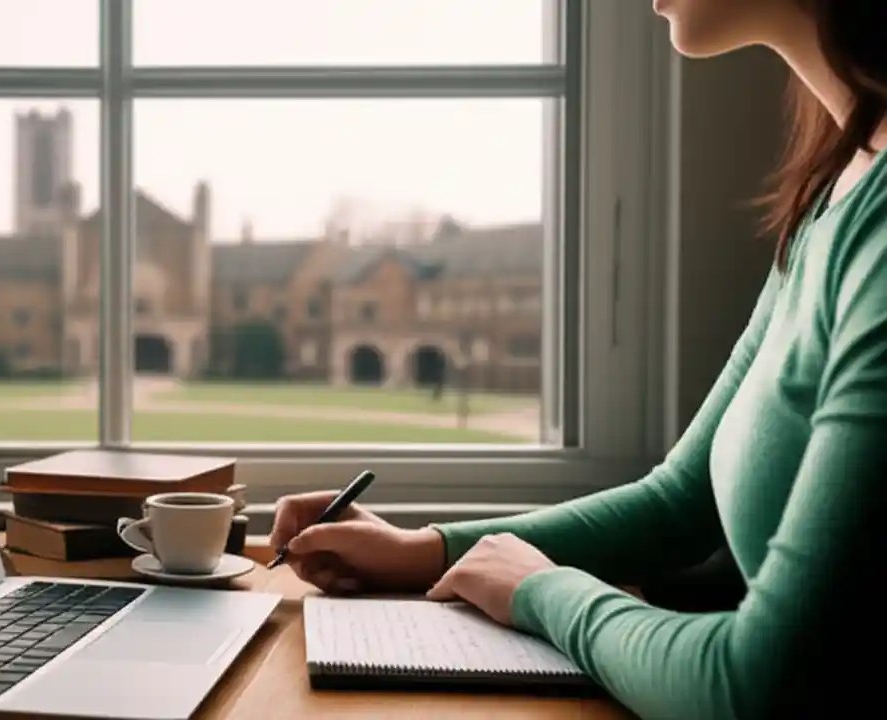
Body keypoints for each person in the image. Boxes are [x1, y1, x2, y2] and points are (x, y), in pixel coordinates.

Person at [269, 2, 886, 718]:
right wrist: (424, 550)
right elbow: (679, 505)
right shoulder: (835, 194)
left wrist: (538, 591)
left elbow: (757, 683)